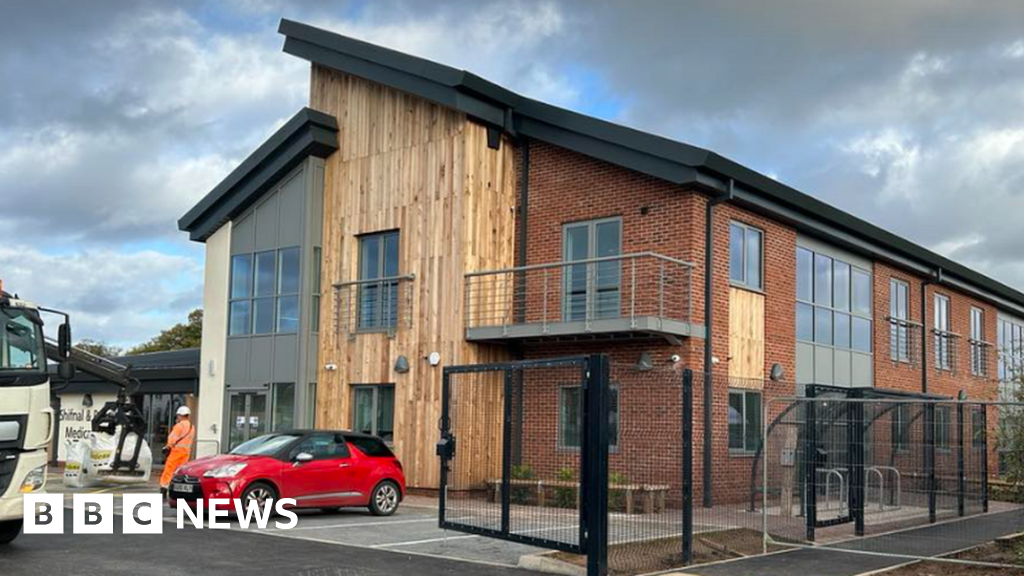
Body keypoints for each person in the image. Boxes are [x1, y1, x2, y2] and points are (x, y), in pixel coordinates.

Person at [160, 406, 195, 495]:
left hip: (176, 452)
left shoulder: (179, 426)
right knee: (181, 471)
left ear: (180, 415)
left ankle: (164, 487)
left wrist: (168, 447)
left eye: (178, 416)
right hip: (186, 452)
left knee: (169, 468)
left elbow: (172, 438)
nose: (177, 417)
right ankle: (179, 488)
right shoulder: (192, 427)